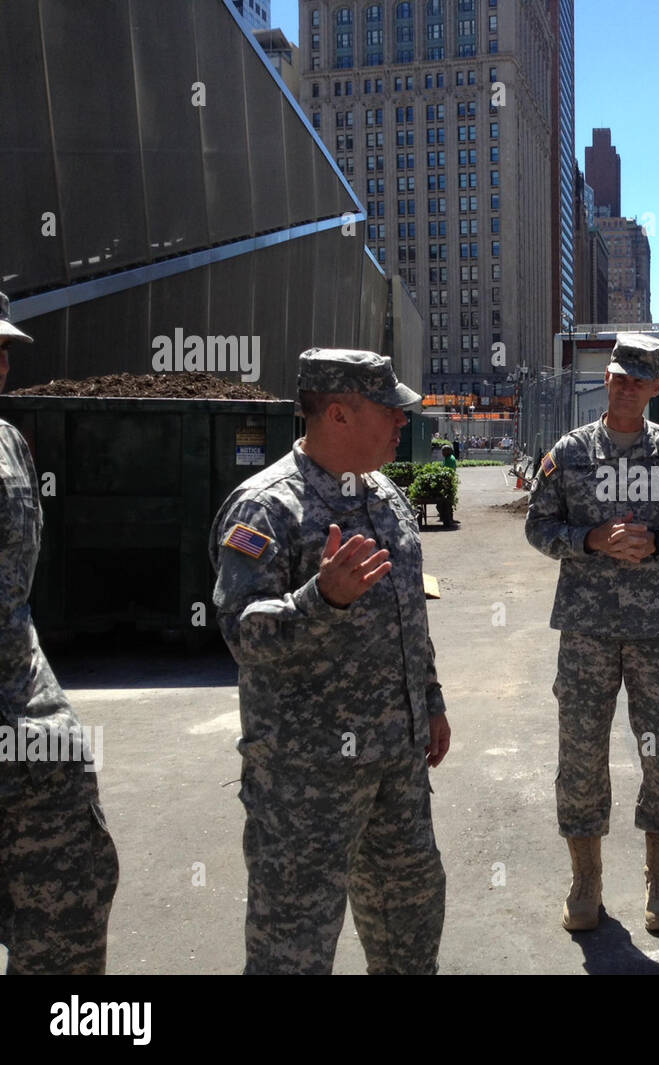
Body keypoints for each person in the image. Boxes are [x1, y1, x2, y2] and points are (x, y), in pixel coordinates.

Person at [210, 348, 451, 974]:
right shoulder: (265, 508)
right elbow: (242, 635)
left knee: (411, 930)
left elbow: (409, 618)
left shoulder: (386, 497)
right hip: (305, 784)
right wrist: (320, 600)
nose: (404, 423)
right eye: (389, 411)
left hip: (396, 766)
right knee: (292, 951)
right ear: (339, 414)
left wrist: (431, 701)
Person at [525, 333, 659, 933]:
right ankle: (585, 879)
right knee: (580, 752)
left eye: (639, 378)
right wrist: (588, 540)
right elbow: (538, 525)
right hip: (586, 630)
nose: (627, 386)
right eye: (618, 376)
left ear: (656, 386)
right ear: (605, 381)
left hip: (658, 630)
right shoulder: (570, 452)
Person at [0, 291, 118, 974]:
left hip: (30, 731)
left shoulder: (11, 444)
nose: (3, 367)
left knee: (72, 909)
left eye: (5, 351)